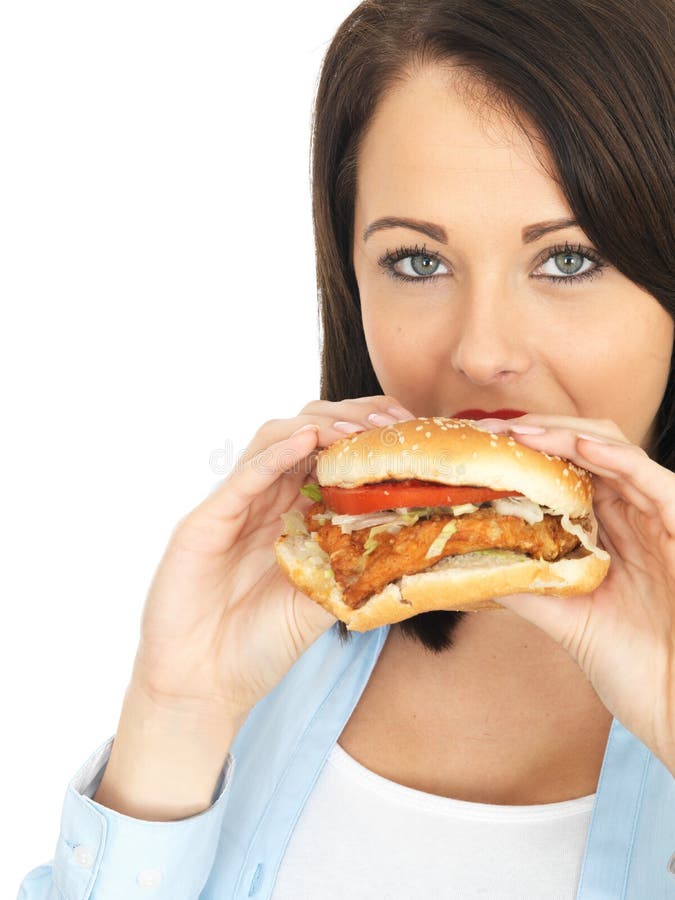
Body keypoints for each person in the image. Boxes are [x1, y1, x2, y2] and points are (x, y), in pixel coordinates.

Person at [18, 0, 674, 898]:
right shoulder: (267, 645)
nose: (482, 352)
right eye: (416, 262)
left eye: (567, 260)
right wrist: (175, 722)